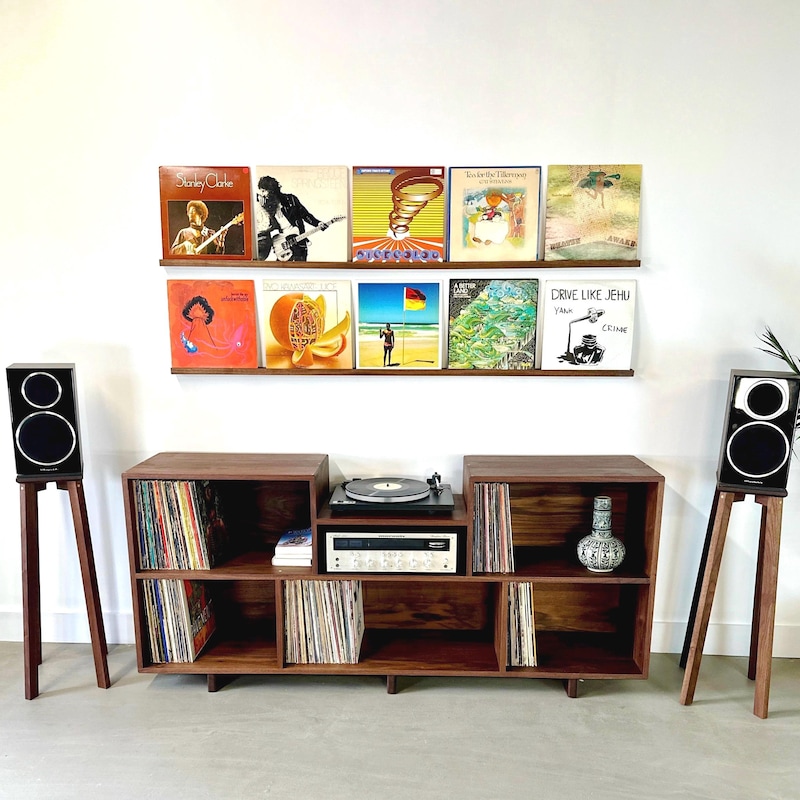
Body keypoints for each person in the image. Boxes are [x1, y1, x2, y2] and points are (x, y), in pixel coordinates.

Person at [255, 175, 328, 261]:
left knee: (299, 270)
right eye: (261, 192)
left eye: (264, 191)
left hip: (298, 242)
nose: (263, 194)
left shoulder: (291, 199)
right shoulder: (269, 207)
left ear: (271, 190)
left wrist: (318, 223)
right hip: (283, 244)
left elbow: (305, 214)